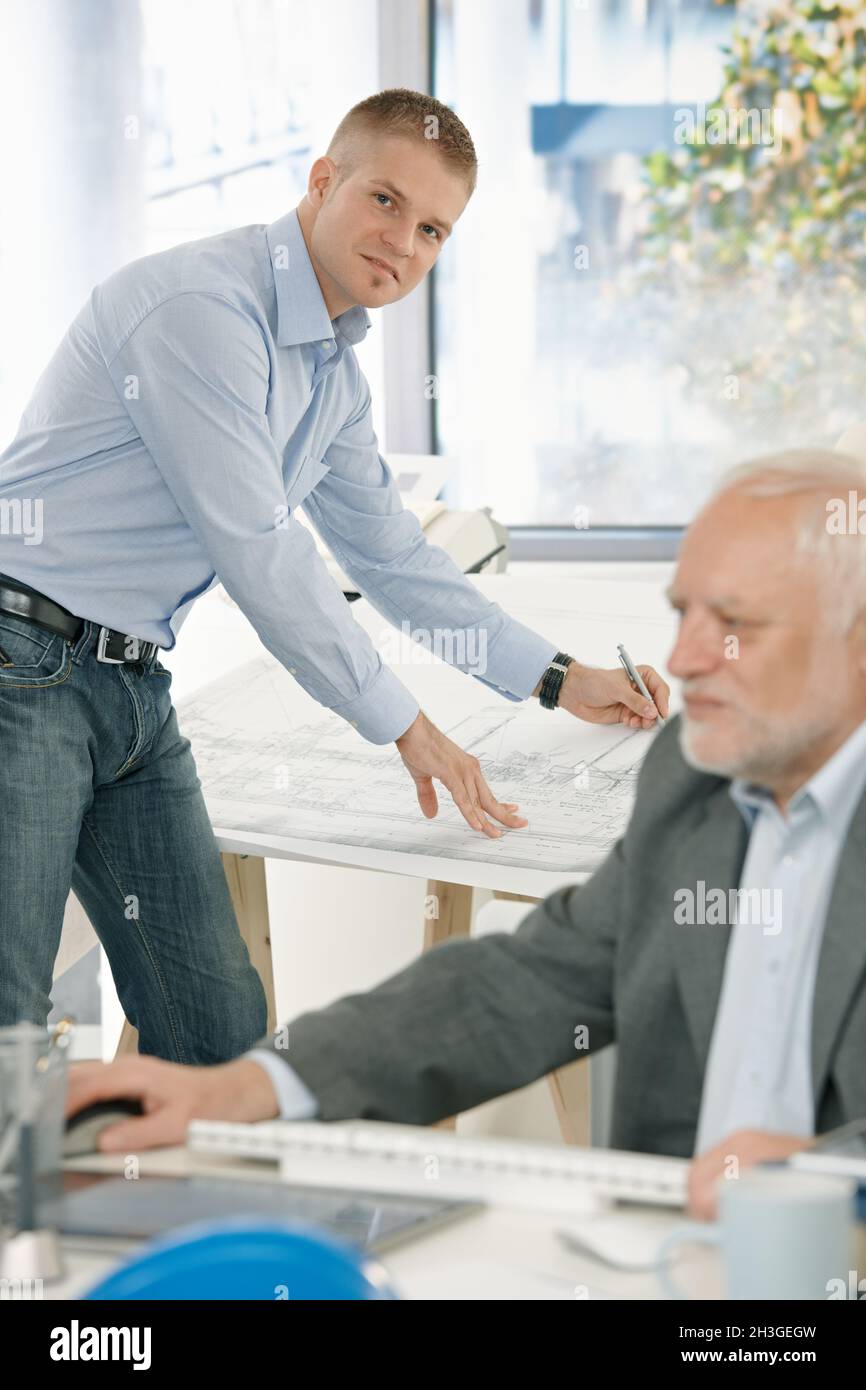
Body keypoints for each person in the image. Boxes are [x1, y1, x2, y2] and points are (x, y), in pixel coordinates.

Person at [0, 88, 667, 1057]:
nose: (403, 241)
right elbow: (260, 551)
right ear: (323, 181)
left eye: (432, 229)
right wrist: (407, 726)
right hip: (22, 663)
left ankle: (141, 1158)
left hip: (128, 684)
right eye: (386, 200)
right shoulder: (203, 310)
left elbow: (392, 555)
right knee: (9, 1022)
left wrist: (560, 678)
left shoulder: (330, 379)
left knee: (216, 1026)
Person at [67, 447, 866, 1219]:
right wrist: (250, 1088)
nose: (685, 659)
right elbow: (532, 981)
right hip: (674, 1261)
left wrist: (834, 1179)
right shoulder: (695, 787)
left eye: (734, 623)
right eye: (684, 614)